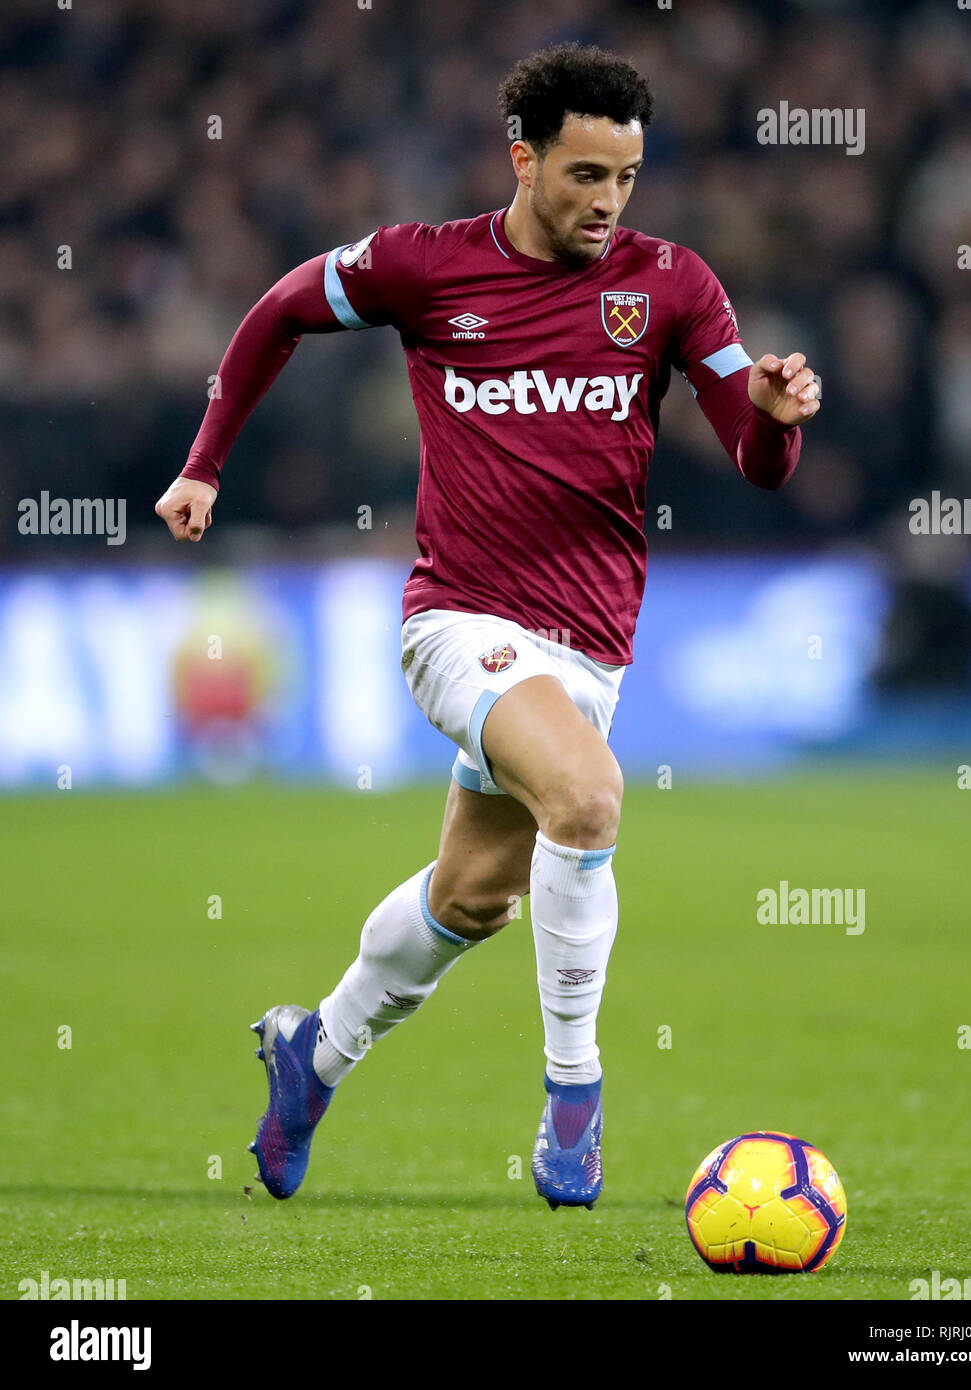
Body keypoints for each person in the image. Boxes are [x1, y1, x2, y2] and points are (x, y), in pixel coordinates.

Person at [155, 43, 819, 1210]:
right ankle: (575, 1102)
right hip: (457, 620)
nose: (607, 204)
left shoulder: (671, 285)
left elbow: (759, 463)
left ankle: (311, 1057)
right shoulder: (425, 267)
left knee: (471, 896)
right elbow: (276, 314)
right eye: (582, 175)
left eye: (625, 177)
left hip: (591, 646)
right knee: (591, 798)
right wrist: (205, 466)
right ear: (523, 158)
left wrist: (773, 418)